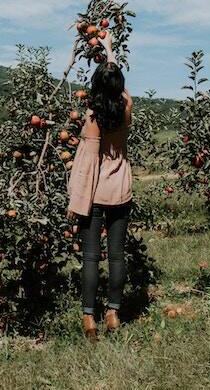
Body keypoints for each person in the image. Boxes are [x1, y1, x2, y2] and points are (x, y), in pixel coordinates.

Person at [67, 30, 133, 341]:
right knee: (117, 255)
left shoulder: (92, 118)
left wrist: (76, 201)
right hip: (120, 190)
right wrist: (110, 52)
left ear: (94, 86)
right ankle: (113, 312)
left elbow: (85, 167)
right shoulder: (127, 106)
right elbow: (114, 83)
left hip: (94, 194)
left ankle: (89, 319)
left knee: (91, 257)